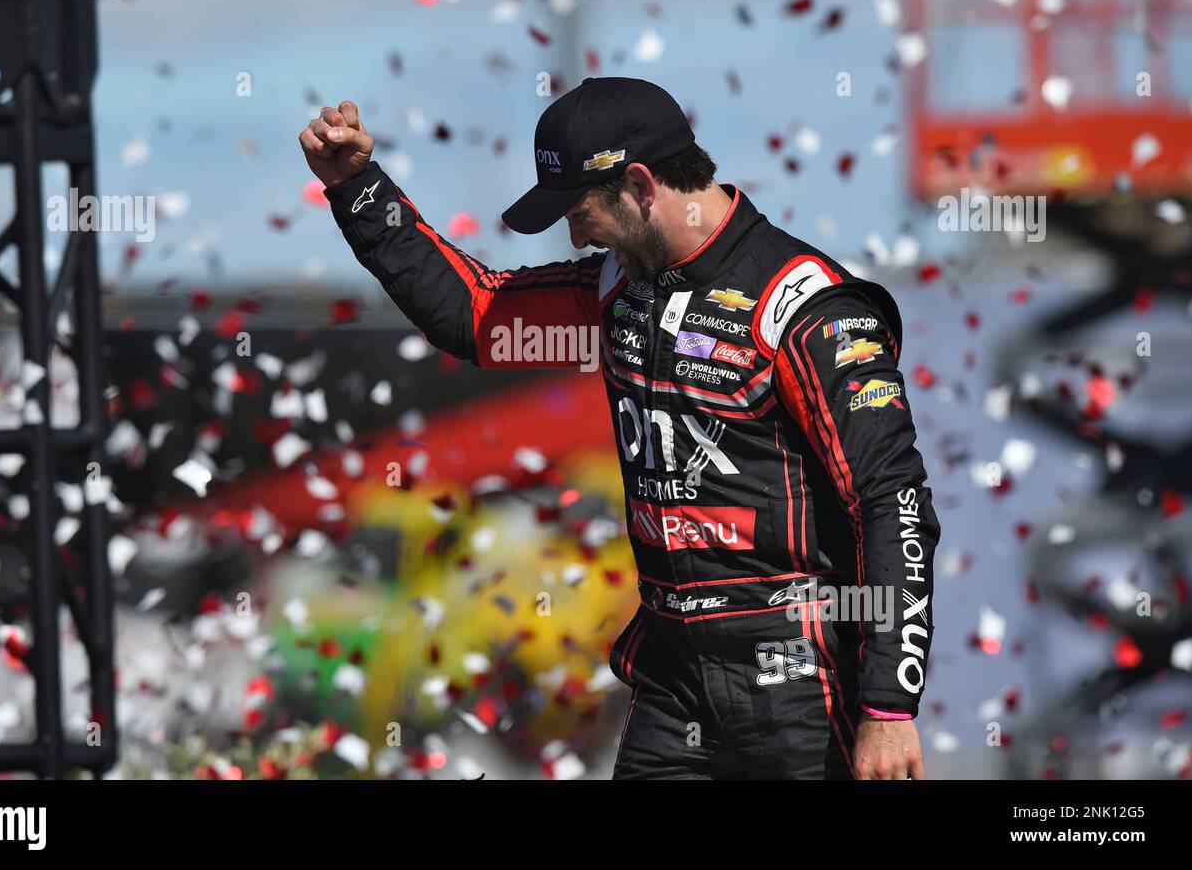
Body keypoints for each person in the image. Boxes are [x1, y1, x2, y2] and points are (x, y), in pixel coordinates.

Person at [300, 77, 940, 780]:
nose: (576, 236)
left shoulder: (805, 307)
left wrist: (888, 704)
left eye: (580, 213)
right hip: (673, 678)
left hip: (801, 679)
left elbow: (892, 500)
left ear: (640, 185)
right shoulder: (616, 289)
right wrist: (358, 189)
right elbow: (476, 316)